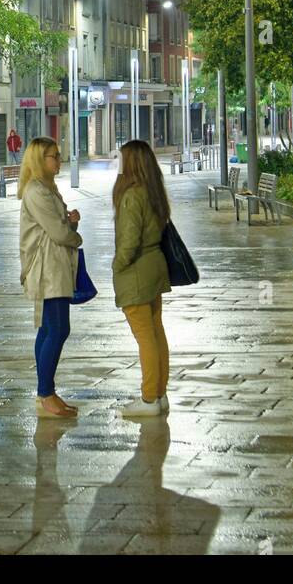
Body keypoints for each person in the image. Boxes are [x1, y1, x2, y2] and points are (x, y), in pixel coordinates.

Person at [19, 136, 83, 418]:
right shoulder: (37, 192)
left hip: (54, 267)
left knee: (49, 329)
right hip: (47, 270)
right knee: (57, 330)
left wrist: (70, 222)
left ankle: (45, 392)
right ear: (39, 160)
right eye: (54, 156)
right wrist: (75, 235)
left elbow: (57, 226)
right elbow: (58, 233)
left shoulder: (47, 189)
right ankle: (45, 393)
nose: (59, 160)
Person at [113, 139, 172, 417]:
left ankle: (149, 398)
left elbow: (129, 240)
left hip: (137, 270)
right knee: (156, 332)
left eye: (123, 159)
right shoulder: (153, 191)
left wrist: (117, 265)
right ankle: (160, 394)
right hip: (155, 265)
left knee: (145, 337)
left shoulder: (131, 195)